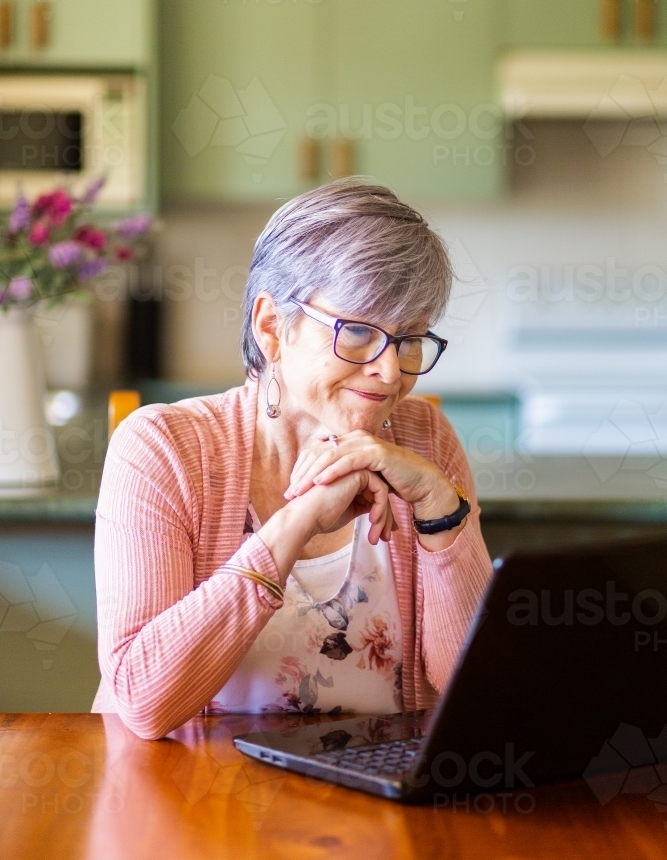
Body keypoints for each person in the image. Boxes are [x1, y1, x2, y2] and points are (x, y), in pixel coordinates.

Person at [92, 180, 492, 738]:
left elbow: (473, 689)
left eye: (410, 340)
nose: (390, 370)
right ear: (271, 327)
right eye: (357, 332)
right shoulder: (162, 448)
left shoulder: (426, 440)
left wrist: (438, 508)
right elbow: (144, 701)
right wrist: (298, 524)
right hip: (198, 801)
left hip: (375, 802)